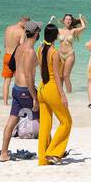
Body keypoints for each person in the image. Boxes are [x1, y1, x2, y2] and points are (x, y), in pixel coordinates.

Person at [0, 21, 40, 162]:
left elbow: (11, 65)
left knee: (11, 121)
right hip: (26, 90)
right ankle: (50, 150)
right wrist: (34, 97)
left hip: (16, 89)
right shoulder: (30, 51)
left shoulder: (18, 47)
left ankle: (4, 153)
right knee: (42, 119)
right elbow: (28, 76)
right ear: (36, 34)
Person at [36, 24, 72, 165]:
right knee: (66, 122)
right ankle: (53, 152)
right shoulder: (55, 53)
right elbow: (57, 76)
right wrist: (62, 94)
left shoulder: (40, 49)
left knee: (45, 125)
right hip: (51, 88)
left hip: (42, 88)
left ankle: (43, 158)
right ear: (55, 36)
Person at [52, 14, 87, 94]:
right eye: (67, 19)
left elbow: (83, 27)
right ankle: (60, 94)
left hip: (70, 55)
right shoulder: (59, 30)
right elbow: (48, 30)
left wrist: (81, 18)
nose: (68, 21)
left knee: (66, 76)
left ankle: (70, 95)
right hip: (60, 54)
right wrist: (51, 21)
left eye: (70, 20)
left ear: (71, 21)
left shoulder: (73, 31)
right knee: (60, 76)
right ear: (63, 21)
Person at [2, 16, 29, 104]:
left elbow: (5, 44)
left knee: (6, 81)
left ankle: (5, 102)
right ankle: (18, 100)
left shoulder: (8, 28)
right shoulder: (22, 32)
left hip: (6, 55)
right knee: (19, 80)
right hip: (15, 57)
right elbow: (21, 46)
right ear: (24, 22)